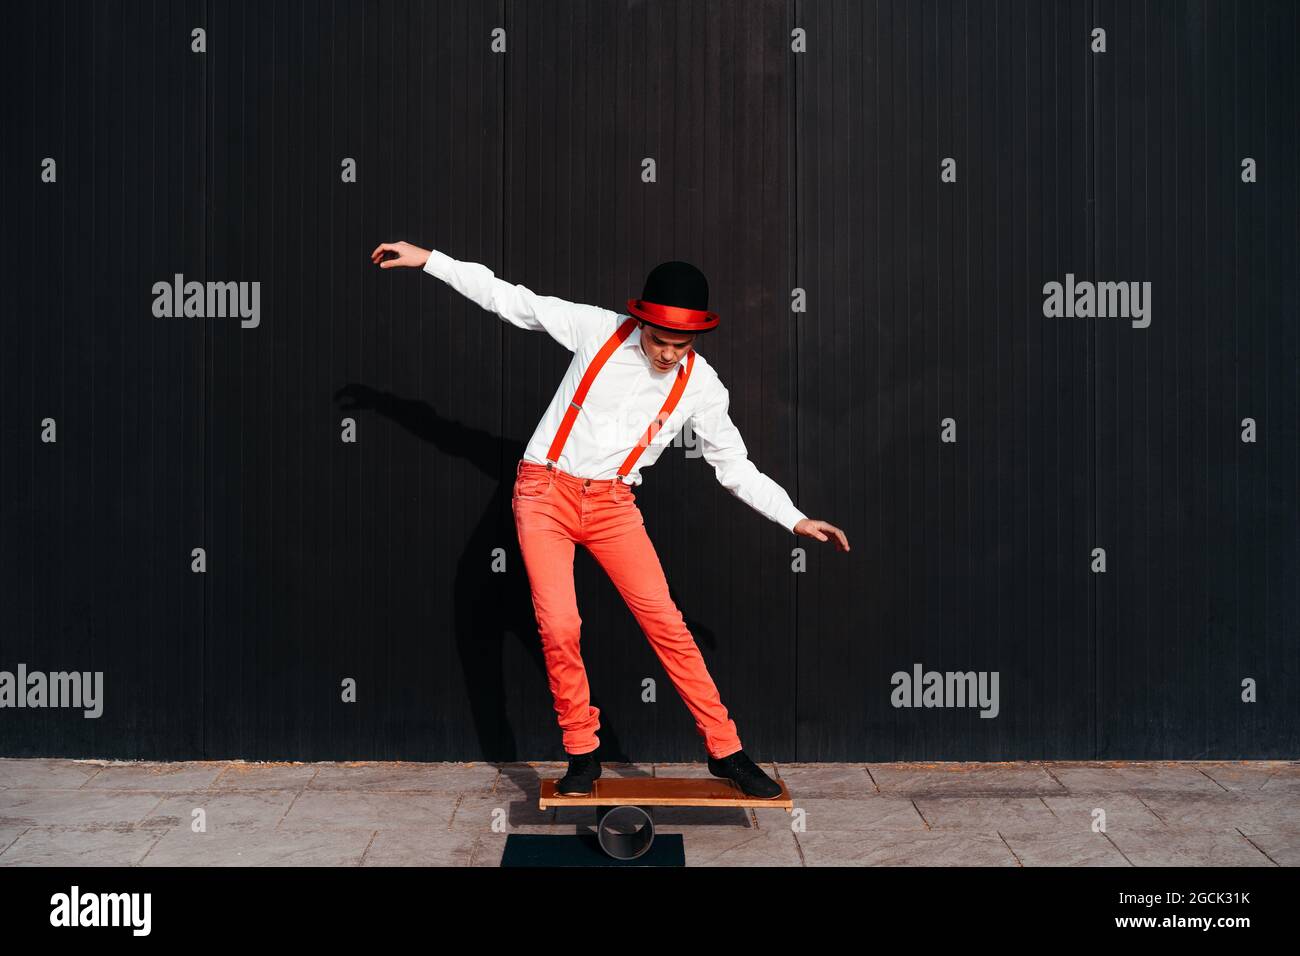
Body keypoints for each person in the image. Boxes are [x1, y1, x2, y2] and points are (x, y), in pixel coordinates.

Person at [371, 241, 849, 797]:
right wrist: (430, 260)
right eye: (660, 340)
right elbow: (511, 300)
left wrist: (794, 519)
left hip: (613, 505)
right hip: (543, 493)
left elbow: (733, 466)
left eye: (681, 343)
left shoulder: (702, 385)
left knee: (667, 624)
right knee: (560, 627)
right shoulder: (597, 329)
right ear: (640, 320)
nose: (668, 354)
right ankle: (582, 753)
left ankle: (726, 751)